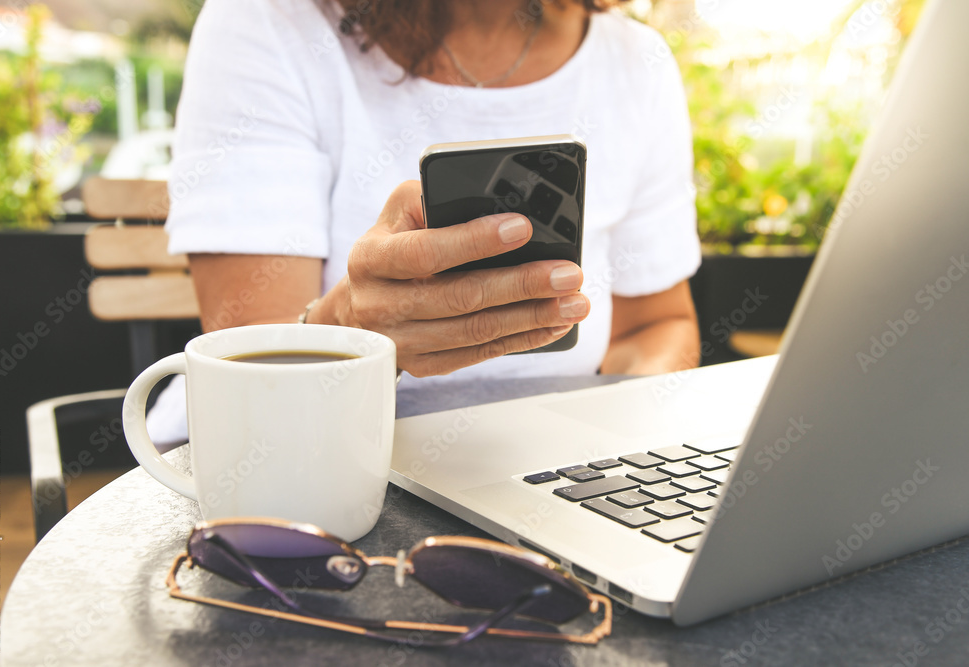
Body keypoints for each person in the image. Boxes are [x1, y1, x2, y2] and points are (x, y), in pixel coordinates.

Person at [147, 0, 702, 445]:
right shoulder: (269, 23)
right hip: (312, 457)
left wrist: (621, 450)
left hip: (547, 466)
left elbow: (655, 327)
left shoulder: (636, 60)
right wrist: (349, 328)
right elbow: (249, 376)